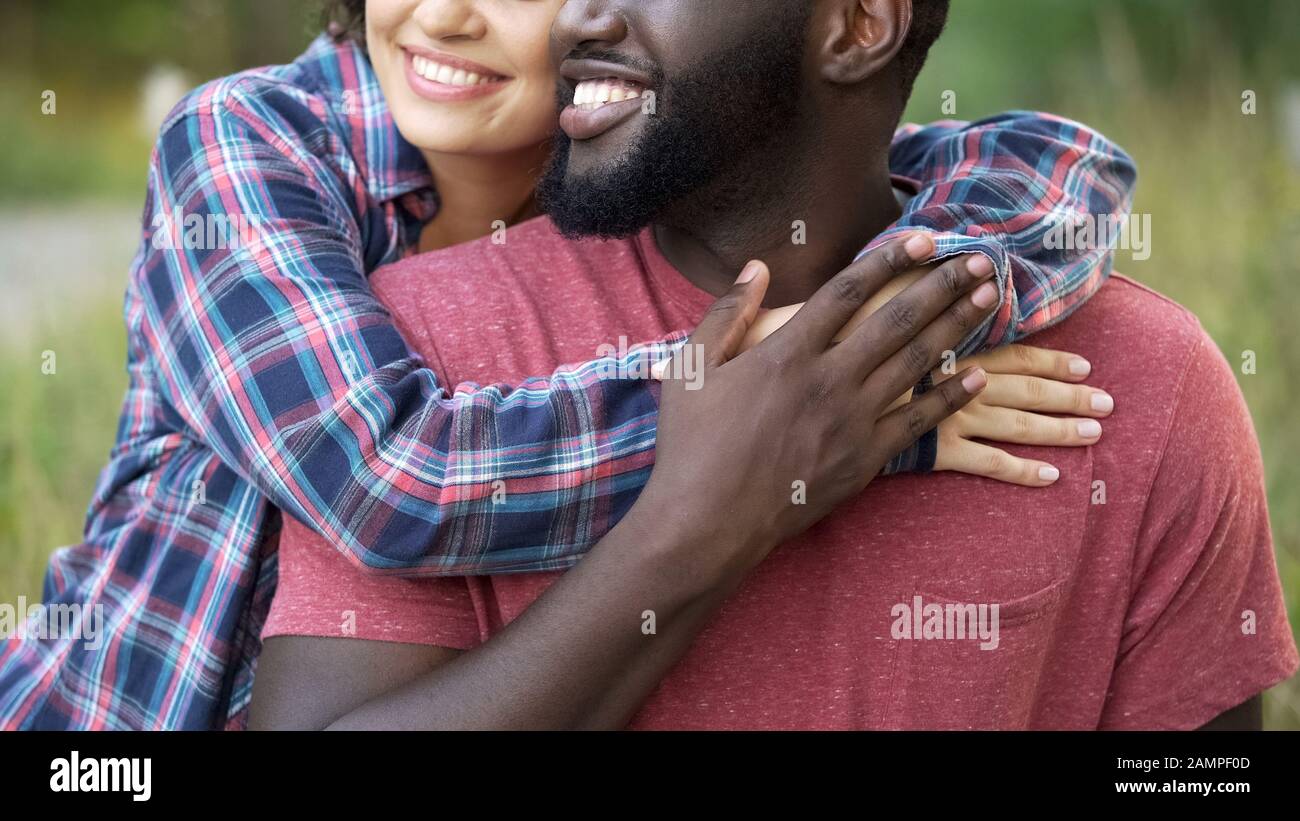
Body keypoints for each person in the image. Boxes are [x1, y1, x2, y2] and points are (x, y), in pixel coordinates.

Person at [0, 0, 1135, 730]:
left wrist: (901, 316)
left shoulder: (622, 153)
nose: (443, 15)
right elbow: (388, 476)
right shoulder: (248, 144)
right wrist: (827, 410)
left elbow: (1046, 167)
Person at [250, 0, 1297, 730]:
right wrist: (702, 517)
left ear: (855, 25)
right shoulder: (423, 348)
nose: (575, 17)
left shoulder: (1139, 381)